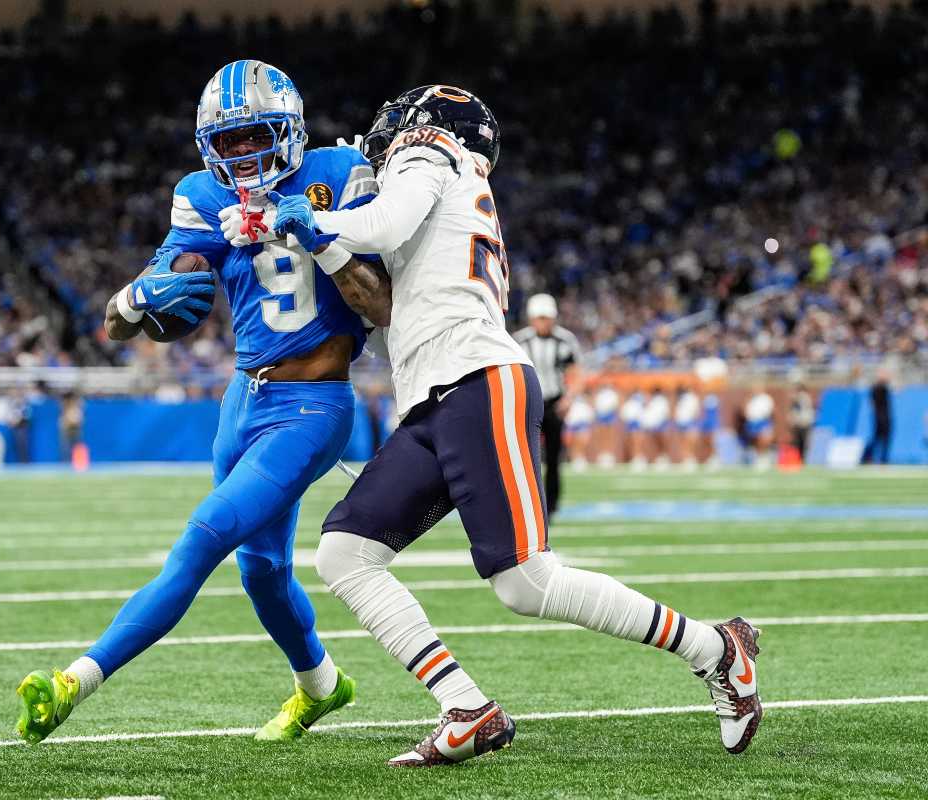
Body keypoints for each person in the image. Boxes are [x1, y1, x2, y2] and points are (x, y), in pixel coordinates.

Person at [266, 85, 762, 767]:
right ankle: (466, 707)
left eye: (395, 129)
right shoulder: (450, 176)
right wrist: (314, 234)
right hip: (435, 396)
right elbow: (382, 286)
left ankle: (716, 649)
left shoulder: (429, 153)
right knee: (345, 552)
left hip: (477, 379)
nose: (384, 140)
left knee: (525, 579)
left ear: (426, 127)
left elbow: (380, 226)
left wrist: (317, 221)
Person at [14, 60, 391, 746]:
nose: (244, 152)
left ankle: (76, 679)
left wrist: (326, 238)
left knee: (207, 536)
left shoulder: (337, 173)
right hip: (240, 403)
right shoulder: (201, 195)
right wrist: (136, 297)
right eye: (231, 139)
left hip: (314, 404)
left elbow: (384, 303)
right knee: (262, 571)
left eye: (257, 135)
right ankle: (322, 685)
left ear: (290, 129)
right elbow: (124, 315)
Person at [513, 293, 582, 514]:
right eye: (540, 318)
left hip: (554, 402)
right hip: (527, 403)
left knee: (553, 458)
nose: (544, 322)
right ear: (532, 318)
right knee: (523, 457)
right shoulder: (520, 340)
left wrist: (569, 398)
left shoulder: (565, 339)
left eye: (547, 318)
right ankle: (524, 505)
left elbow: (576, 372)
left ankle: (550, 507)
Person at [866, 372, 893, 464]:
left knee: (881, 439)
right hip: (881, 418)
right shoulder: (879, 388)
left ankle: (879, 458)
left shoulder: (878, 388)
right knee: (879, 438)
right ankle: (871, 457)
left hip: (882, 417)